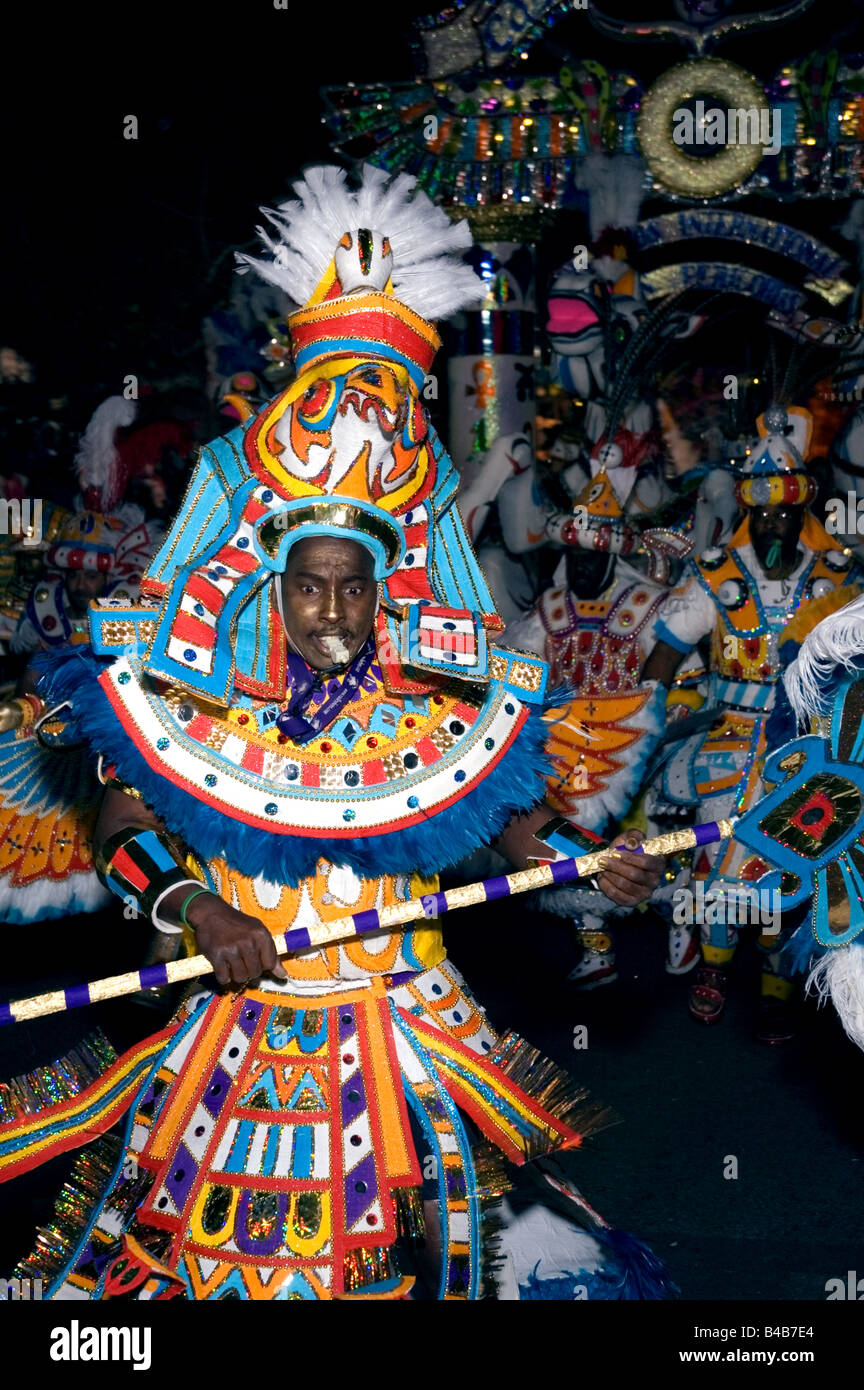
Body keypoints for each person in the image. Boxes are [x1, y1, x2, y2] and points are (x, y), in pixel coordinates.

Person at [0, 165, 668, 1302]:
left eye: (354, 588)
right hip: (242, 1040)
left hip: (413, 1034)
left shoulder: (440, 703)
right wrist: (192, 905)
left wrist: (590, 867)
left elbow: (518, 829)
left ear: (388, 582)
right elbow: (119, 814)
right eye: (309, 585)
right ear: (271, 573)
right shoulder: (187, 701)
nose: (331, 612)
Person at [642, 403, 862, 1039]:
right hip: (729, 738)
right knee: (717, 858)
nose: (772, 524)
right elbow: (662, 656)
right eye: (761, 512)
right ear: (746, 514)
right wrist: (645, 720)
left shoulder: (836, 581)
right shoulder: (715, 577)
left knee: (790, 860)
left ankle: (776, 986)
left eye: (785, 514)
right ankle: (714, 967)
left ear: (802, 517)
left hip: (801, 746)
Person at [506, 468, 699, 987]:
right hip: (568, 750)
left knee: (659, 824)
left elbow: (689, 675)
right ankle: (595, 945)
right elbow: (521, 680)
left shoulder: (646, 606)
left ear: (613, 555)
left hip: (640, 744)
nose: (584, 567)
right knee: (570, 839)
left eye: (594, 556)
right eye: (576, 557)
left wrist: (665, 717)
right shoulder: (545, 613)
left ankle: (678, 915)